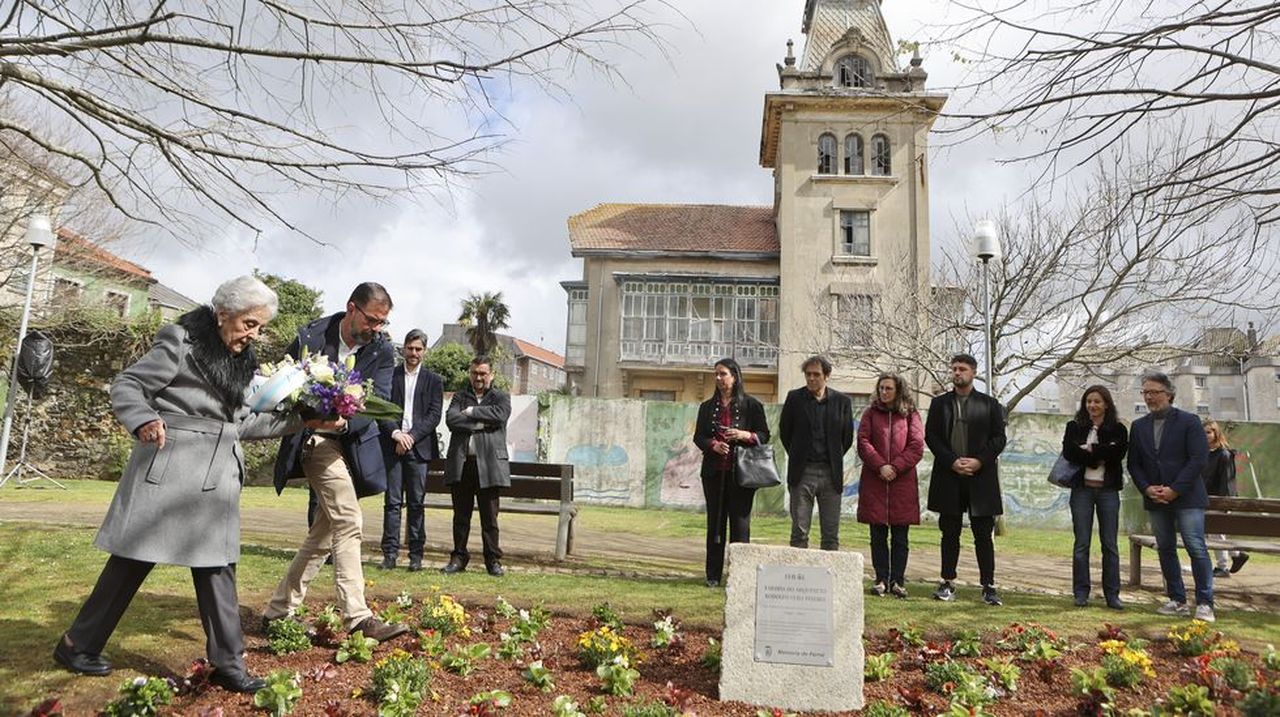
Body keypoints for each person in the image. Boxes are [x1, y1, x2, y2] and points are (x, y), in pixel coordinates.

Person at [54, 276, 330, 692]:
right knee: (132, 560)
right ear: (223, 315)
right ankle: (78, 644)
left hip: (216, 473)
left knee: (217, 566)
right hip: (169, 465)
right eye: (250, 324)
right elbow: (128, 384)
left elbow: (241, 422)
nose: (255, 334)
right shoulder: (179, 341)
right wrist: (144, 418)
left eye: (260, 326)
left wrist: (303, 420)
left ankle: (228, 663)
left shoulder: (241, 359)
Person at [263, 282, 409, 642]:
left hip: (352, 444)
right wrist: (310, 415)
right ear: (352, 308)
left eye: (382, 323)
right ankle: (358, 618)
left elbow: (380, 400)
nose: (376, 329)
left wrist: (344, 420)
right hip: (313, 441)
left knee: (323, 534)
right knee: (348, 519)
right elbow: (281, 384)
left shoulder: (382, 351)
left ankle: (278, 611)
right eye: (372, 320)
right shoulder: (311, 336)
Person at [1128, 370, 1214, 621]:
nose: (1149, 397)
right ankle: (1177, 600)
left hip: (1187, 497)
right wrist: (1146, 488)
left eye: (1154, 392)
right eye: (1145, 393)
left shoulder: (1189, 421)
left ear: (1169, 394)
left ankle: (1205, 603)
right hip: (1155, 497)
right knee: (1165, 547)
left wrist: (1175, 489)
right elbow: (1134, 464)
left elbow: (1198, 459)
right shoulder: (1139, 426)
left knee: (1195, 546)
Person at [925, 353, 1008, 606]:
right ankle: (947, 582)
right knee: (949, 533)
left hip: (980, 478)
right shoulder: (940, 404)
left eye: (962, 369)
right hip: (949, 476)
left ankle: (989, 586)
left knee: (983, 534)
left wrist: (979, 461)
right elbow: (932, 436)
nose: (957, 373)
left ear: (973, 372)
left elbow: (998, 438)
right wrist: (952, 461)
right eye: (954, 369)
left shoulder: (990, 404)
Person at [692, 358, 770, 587]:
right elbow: (699, 436)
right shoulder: (706, 407)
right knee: (715, 523)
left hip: (742, 474)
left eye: (723, 374)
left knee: (740, 524)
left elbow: (764, 435)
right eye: (716, 374)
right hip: (714, 473)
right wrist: (712, 445)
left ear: (734, 376)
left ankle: (740, 575)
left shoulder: (752, 405)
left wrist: (745, 435)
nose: (718, 378)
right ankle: (713, 575)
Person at [440, 355, 512, 576]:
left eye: (482, 373)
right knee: (460, 517)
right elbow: (451, 420)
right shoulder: (460, 396)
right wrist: (483, 422)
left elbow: (500, 416)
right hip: (463, 464)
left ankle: (493, 560)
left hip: (489, 465)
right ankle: (458, 557)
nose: (478, 377)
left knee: (489, 518)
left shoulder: (500, 397)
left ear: (491, 375)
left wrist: (471, 413)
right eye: (474, 373)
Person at [378, 329, 443, 572]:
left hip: (419, 448)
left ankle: (416, 555)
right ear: (403, 348)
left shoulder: (434, 380)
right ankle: (390, 554)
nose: (413, 353)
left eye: (418, 349)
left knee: (416, 503)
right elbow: (382, 410)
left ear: (424, 352)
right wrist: (396, 434)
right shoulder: (390, 376)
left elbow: (434, 415)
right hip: (393, 445)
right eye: (410, 348)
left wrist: (411, 437)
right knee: (393, 503)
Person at [1061, 385, 1129, 610]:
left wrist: (1090, 450)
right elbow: (1069, 452)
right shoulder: (1074, 427)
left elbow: (1117, 454)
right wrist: (1096, 456)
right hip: (1081, 491)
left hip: (1108, 492)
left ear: (1106, 404)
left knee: (1110, 544)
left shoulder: (1118, 429)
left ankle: (1112, 594)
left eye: (1097, 401)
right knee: (1082, 543)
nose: (1092, 405)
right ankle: (1081, 592)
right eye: (1088, 401)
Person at [857, 373, 924, 598]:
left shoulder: (911, 415)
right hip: (875, 483)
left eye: (888, 389)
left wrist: (895, 467)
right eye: (881, 388)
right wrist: (880, 466)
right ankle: (880, 579)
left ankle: (897, 580)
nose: (884, 392)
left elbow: (916, 446)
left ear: (898, 391)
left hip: (901, 484)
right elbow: (863, 442)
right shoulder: (870, 414)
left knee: (900, 537)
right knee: (877, 535)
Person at [779, 355, 854, 552]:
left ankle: (828, 578)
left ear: (826, 376)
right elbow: (785, 432)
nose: (811, 378)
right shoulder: (794, 398)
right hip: (802, 472)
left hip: (831, 472)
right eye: (808, 374)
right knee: (799, 531)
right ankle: (799, 577)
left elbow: (847, 437)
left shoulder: (842, 402)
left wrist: (833, 456)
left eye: (816, 374)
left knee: (830, 533)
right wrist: (799, 455)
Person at [1203, 418, 1248, 578]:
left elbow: (1227, 481)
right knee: (1212, 533)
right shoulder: (1204, 454)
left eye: (1209, 432)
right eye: (1203, 433)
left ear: (1216, 433)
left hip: (1220, 501)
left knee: (1216, 534)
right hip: (1205, 500)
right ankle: (1236, 554)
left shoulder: (1224, 454)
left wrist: (1224, 503)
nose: (1206, 436)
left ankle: (1222, 566)